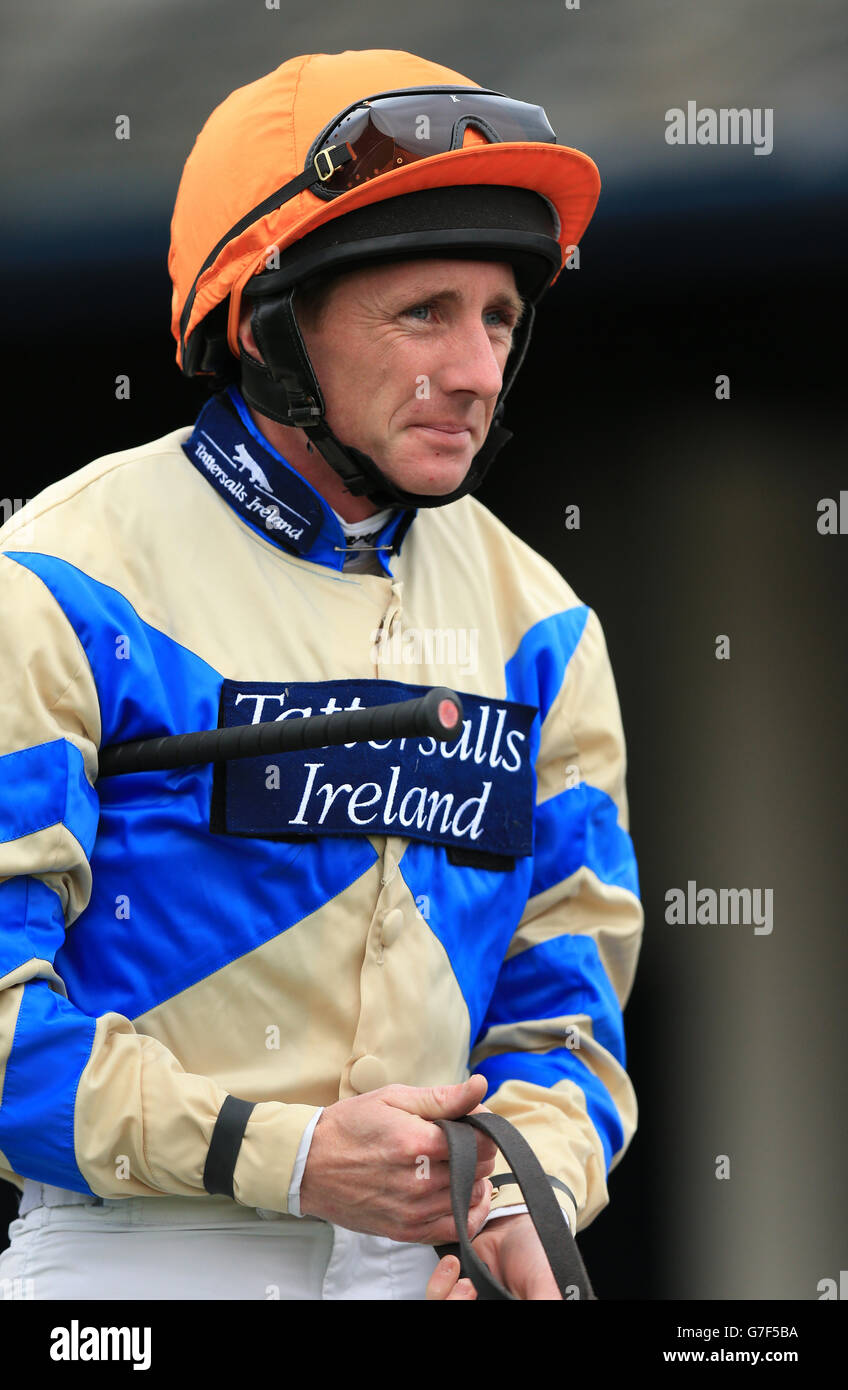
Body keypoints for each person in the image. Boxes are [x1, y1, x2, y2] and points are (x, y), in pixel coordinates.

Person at [0, 48, 642, 1302]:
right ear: (266, 325)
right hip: (139, 1264)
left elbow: (566, 1011)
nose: (473, 371)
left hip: (428, 1264)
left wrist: (522, 1192)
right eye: (424, 314)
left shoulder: (547, 628)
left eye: (499, 317)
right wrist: (285, 1156)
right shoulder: (55, 580)